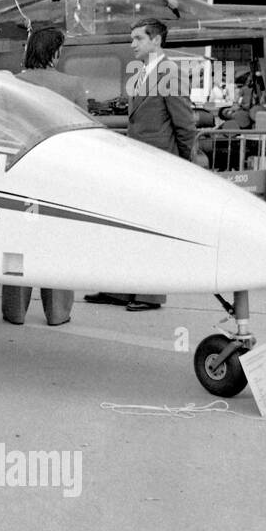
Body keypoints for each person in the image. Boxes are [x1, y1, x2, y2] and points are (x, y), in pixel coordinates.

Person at [85, 18, 196, 311]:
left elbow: (185, 124)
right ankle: (121, 289)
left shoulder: (169, 72)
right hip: (141, 166)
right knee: (130, 228)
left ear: (156, 40)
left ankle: (150, 294)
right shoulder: (143, 72)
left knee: (154, 231)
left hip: (161, 166)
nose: (132, 44)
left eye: (138, 38)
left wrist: (184, 165)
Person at [2, 27, 83, 326]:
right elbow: (82, 137)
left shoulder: (12, 84)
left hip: (20, 176)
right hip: (58, 180)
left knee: (17, 245)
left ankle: (14, 312)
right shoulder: (72, 85)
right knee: (57, 243)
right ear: (56, 52)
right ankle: (57, 312)